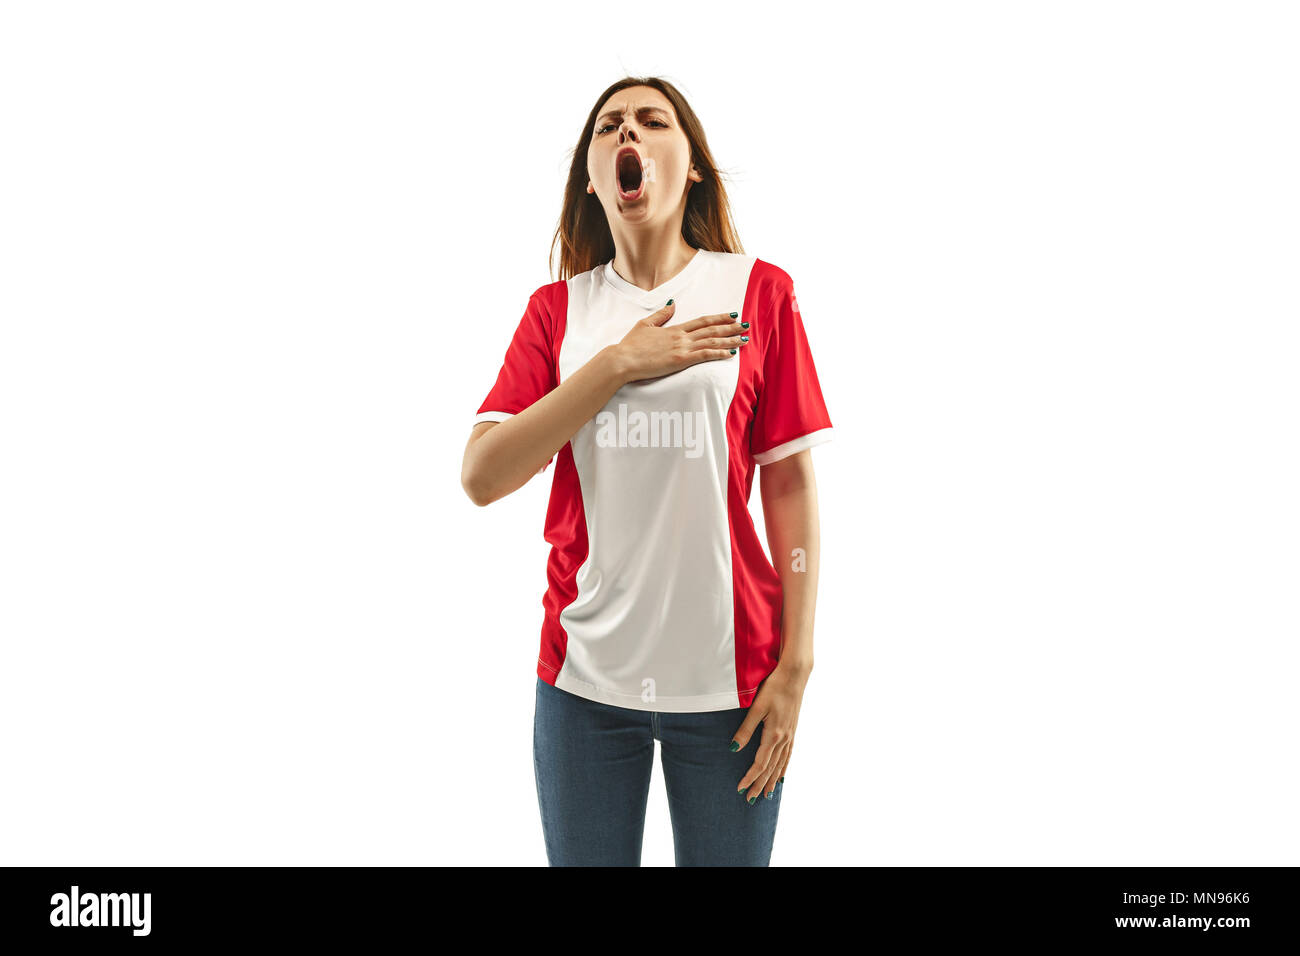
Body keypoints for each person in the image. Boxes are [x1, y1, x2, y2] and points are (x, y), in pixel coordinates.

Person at [461, 76, 833, 866]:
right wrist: (619, 363)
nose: (628, 132)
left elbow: (790, 484)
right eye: (608, 128)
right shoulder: (556, 314)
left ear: (689, 162)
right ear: (594, 178)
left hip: (733, 691)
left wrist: (797, 664)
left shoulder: (759, 293)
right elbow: (483, 474)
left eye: (651, 120)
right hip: (583, 688)